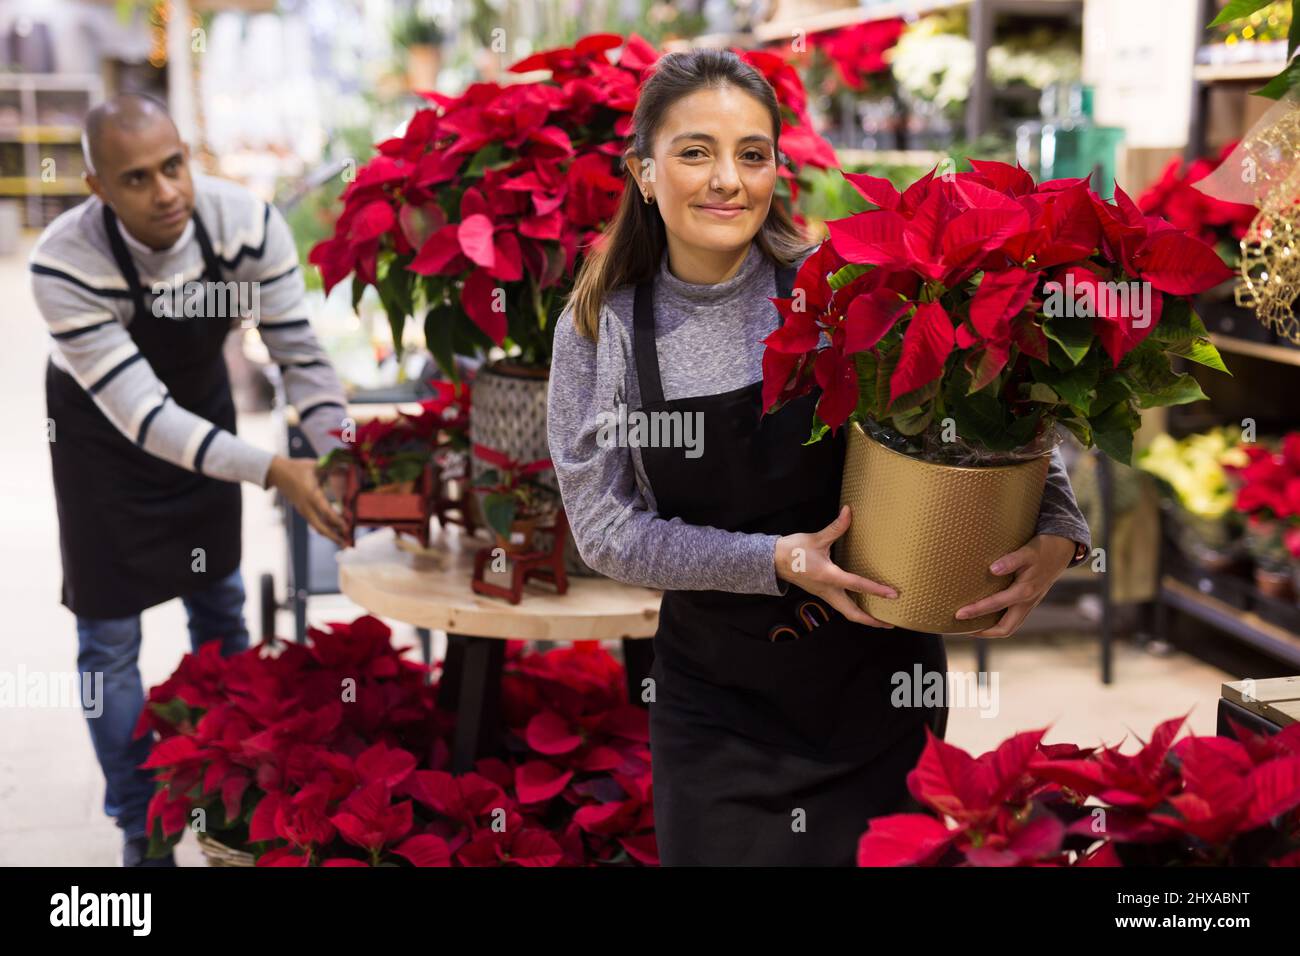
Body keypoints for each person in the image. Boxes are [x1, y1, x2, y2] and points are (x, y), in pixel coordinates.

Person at [546, 49, 1092, 866]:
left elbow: (989, 420)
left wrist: (1060, 526)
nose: (726, 179)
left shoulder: (846, 290)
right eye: (695, 152)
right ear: (644, 173)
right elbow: (604, 532)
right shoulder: (603, 329)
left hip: (883, 687)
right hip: (718, 706)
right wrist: (777, 561)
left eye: (752, 154)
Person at [29, 93, 350, 866]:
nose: (167, 191)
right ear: (97, 188)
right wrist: (274, 469)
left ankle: (226, 803)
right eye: (136, 179)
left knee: (222, 606)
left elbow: (298, 354)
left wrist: (339, 452)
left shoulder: (245, 224)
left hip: (201, 412)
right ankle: (143, 829)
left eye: (174, 166)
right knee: (108, 641)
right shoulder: (64, 263)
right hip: (103, 441)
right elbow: (141, 416)